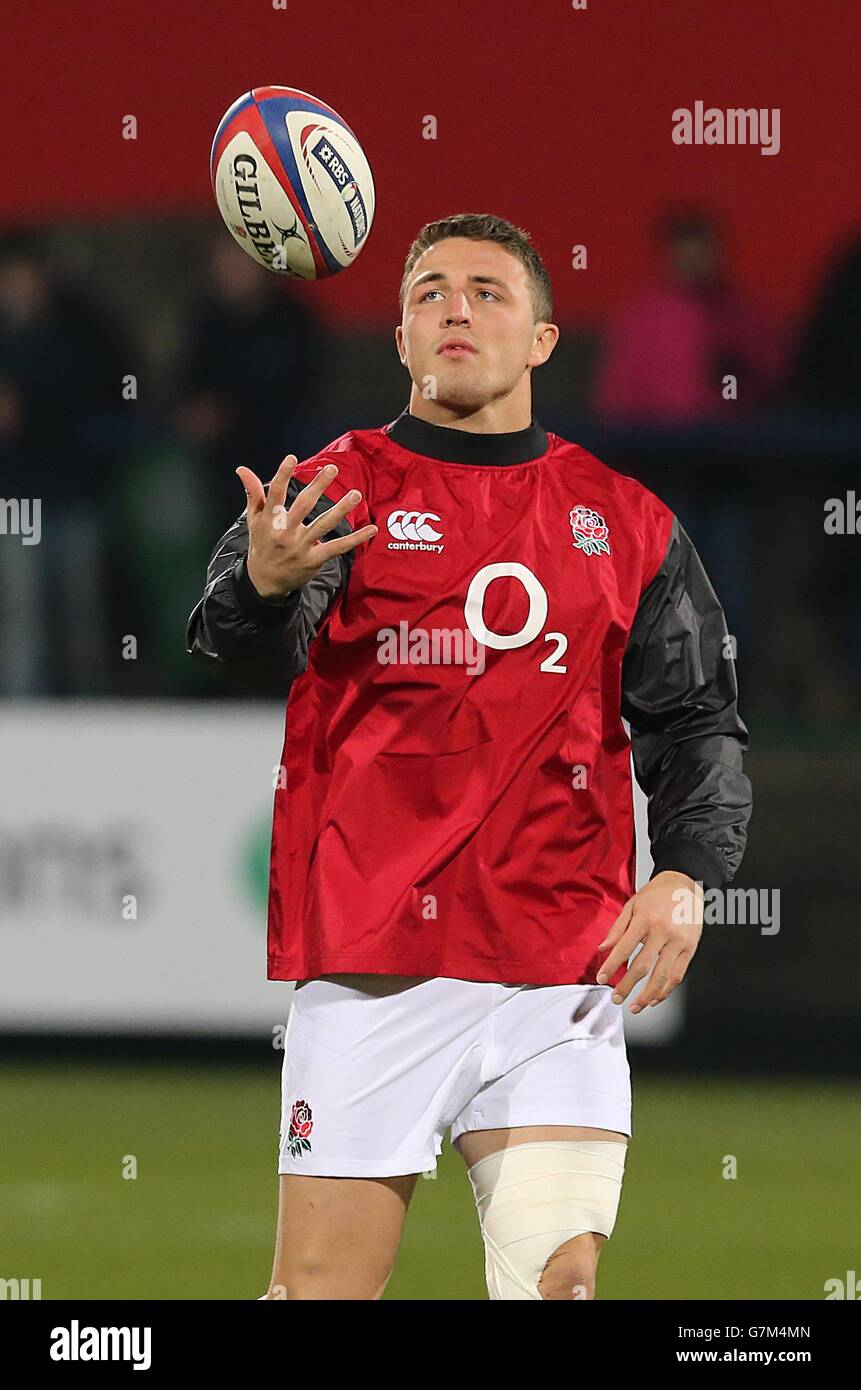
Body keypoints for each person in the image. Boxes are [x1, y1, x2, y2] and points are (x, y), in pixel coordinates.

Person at [186, 213, 752, 1301]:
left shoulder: (623, 520)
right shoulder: (332, 491)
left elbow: (698, 722)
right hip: (374, 965)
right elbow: (231, 649)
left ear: (544, 335)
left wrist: (684, 874)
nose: (456, 307)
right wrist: (258, 586)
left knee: (561, 1284)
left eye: (488, 291)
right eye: (430, 291)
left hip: (561, 974)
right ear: (399, 338)